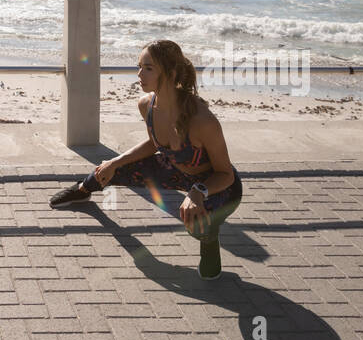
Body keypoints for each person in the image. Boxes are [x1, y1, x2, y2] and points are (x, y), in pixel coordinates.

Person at [50, 39, 242, 279]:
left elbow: (226, 174)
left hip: (217, 185)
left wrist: (197, 192)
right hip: (175, 170)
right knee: (113, 169)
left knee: (197, 220)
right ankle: (83, 189)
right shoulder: (147, 105)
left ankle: (209, 243)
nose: (139, 74)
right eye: (139, 66)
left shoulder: (202, 120)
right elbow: (155, 143)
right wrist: (115, 162)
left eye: (148, 68)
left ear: (170, 73)